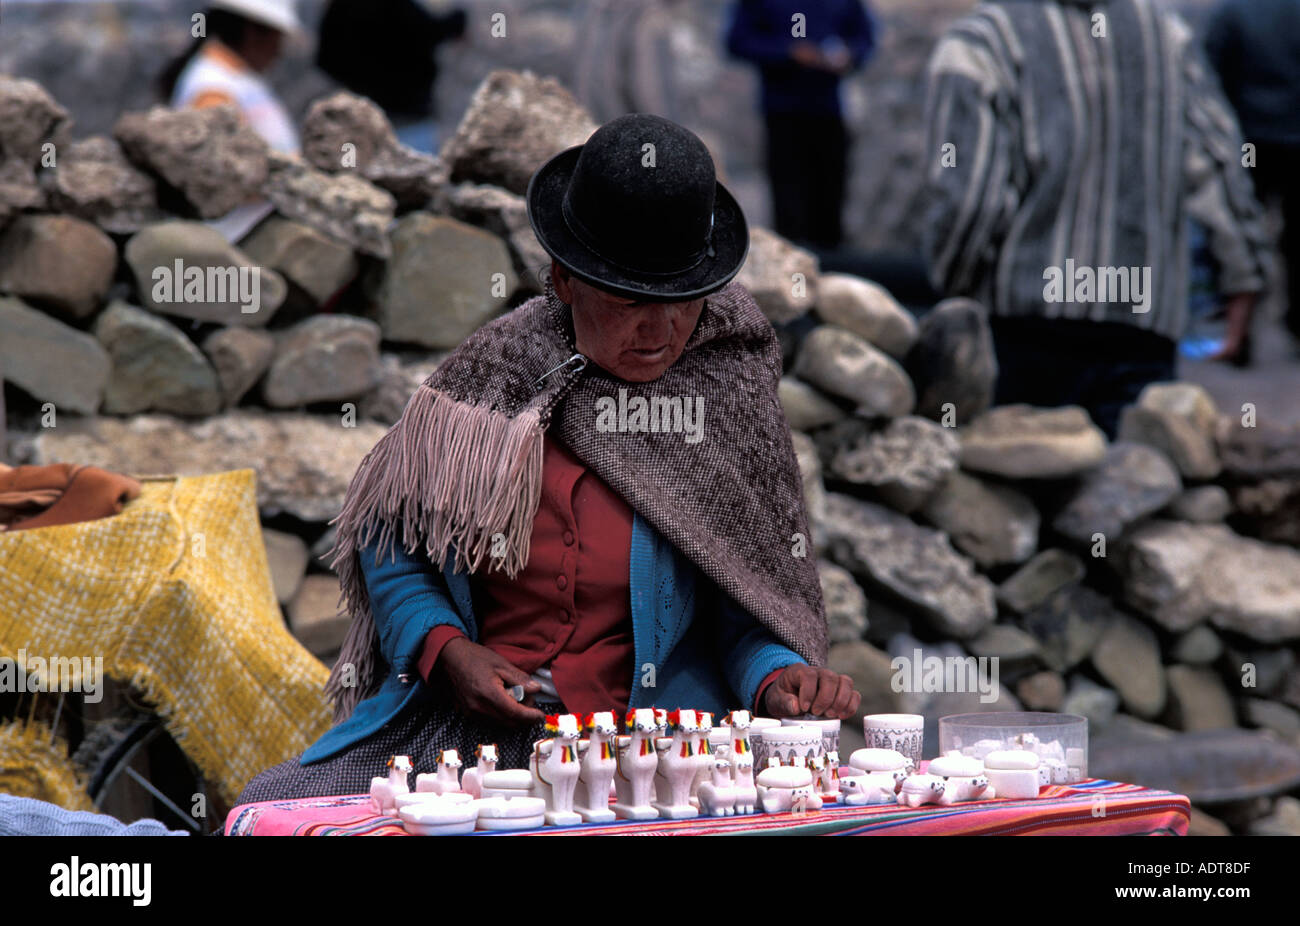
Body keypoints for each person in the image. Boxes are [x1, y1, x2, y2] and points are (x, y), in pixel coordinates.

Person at [236, 114, 857, 802]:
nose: (660, 331)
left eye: (681, 302)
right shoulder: (492, 379)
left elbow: (749, 607)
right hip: (469, 737)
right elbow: (392, 541)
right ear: (564, 280)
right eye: (628, 301)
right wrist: (447, 652)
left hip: (655, 751)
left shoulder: (726, 398)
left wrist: (779, 676)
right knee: (275, 807)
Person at [922, 0, 1271, 438]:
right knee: (1135, 488)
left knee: (1018, 486)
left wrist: (952, 288)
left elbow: (970, 196)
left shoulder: (983, 41)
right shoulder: (1167, 36)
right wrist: (1244, 278)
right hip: (1140, 320)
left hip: (1023, 324)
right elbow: (1218, 164)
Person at [726, 0, 877, 252]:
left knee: (830, 201)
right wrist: (788, 52)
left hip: (828, 112)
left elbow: (864, 40)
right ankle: (792, 274)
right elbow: (738, 41)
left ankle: (829, 272)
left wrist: (848, 55)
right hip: (782, 114)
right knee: (789, 204)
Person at [1204, 0, 1300, 344]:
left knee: (1240, 229)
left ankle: (1239, 331)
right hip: (1294, 137)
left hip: (1249, 139)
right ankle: (1295, 323)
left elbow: (1210, 70)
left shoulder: (1234, 11)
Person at [316, 0, 467, 154]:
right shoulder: (395, 6)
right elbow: (427, 31)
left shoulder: (339, 8)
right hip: (407, 114)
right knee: (417, 168)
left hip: (360, 120)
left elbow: (325, 60)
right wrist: (458, 19)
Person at [158, 0, 301, 154]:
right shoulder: (213, 89)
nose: (279, 51)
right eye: (277, 38)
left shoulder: (238, 78)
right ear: (252, 31)